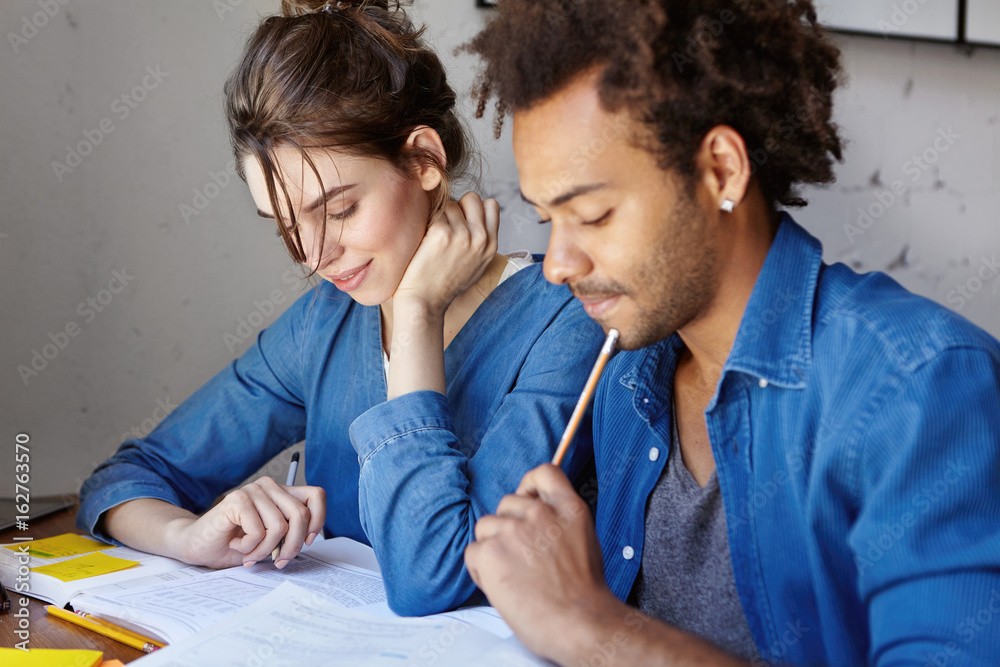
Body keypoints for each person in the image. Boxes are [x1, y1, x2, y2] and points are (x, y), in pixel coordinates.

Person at [462, 1, 1000, 665]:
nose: (557, 265)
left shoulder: (922, 385)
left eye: (593, 214)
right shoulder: (628, 373)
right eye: (549, 219)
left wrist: (593, 627)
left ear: (720, 169)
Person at [77, 0, 604, 617]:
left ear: (424, 160)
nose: (314, 255)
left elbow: (432, 577)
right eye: (285, 225)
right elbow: (125, 479)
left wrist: (416, 315)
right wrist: (185, 536)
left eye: (339, 210)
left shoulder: (568, 323)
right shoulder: (324, 323)